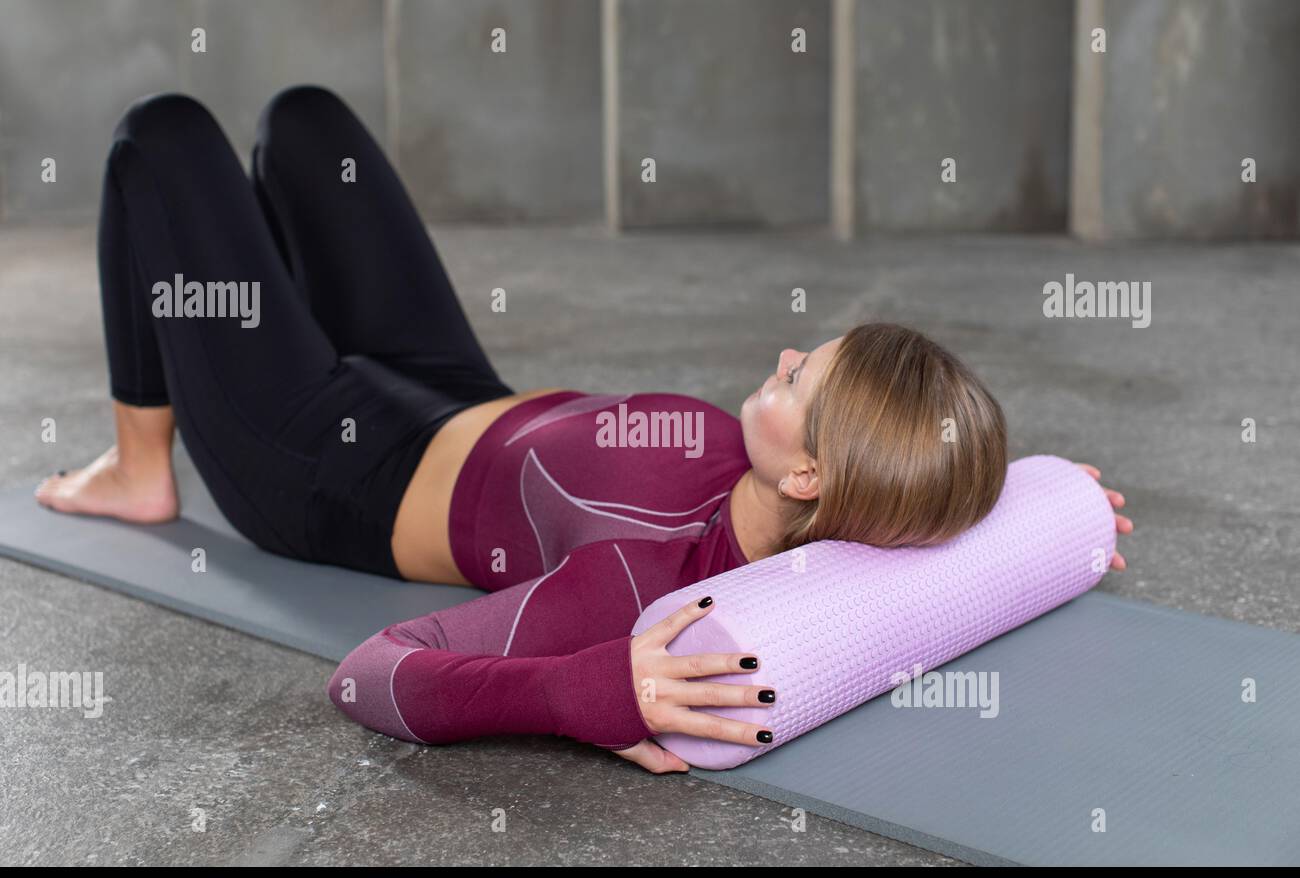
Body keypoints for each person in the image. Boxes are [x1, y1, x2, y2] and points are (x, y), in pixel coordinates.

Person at [35, 87, 1133, 773]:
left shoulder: (633, 583)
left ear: (810, 471)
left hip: (322, 458)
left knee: (161, 134)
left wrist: (583, 689)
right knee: (307, 122)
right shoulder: (824, 487)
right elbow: (919, 487)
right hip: (453, 386)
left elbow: (373, 674)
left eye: (809, 378)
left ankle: (140, 471)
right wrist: (1020, 497)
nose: (789, 356)